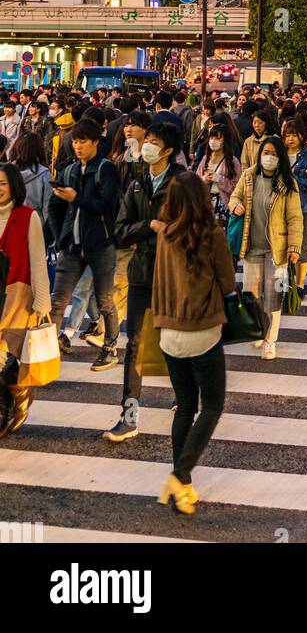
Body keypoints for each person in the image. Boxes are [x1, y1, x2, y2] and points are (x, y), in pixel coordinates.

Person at [152, 172, 236, 517]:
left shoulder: (164, 234)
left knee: (185, 407)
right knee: (212, 406)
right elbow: (228, 281)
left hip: (168, 331)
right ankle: (179, 474)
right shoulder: (211, 234)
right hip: (202, 329)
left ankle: (182, 490)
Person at [103, 120, 186, 442]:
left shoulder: (183, 184)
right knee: (135, 345)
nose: (146, 145)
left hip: (173, 274)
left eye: (153, 141)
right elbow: (120, 231)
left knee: (175, 342)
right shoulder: (138, 183)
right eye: (146, 139)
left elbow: (195, 229)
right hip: (141, 273)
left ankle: (185, 394)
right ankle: (129, 416)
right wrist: (148, 226)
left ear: (168, 150)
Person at [48, 118, 121, 372]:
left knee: (104, 300)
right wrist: (60, 237)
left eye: (83, 141)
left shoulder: (106, 169)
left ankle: (110, 348)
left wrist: (77, 198)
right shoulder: (70, 170)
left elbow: (107, 207)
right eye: (75, 141)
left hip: (100, 244)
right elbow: (54, 208)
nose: (77, 146)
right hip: (72, 246)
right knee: (58, 301)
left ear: (95, 143)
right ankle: (48, 352)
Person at [229, 134, 303, 360]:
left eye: (272, 153)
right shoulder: (249, 175)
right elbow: (234, 197)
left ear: (280, 157)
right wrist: (235, 206)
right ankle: (260, 329)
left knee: (274, 296)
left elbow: (295, 217)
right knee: (252, 294)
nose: (268, 157)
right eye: (265, 153)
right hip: (251, 246)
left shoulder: (288, 183)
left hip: (277, 250)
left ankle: (270, 340)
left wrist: (294, 247)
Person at [0, 163, 52, 440]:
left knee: (8, 357)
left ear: (14, 187)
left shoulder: (27, 216)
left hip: (18, 294)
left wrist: (42, 303)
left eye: (3, 184)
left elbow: (37, 260)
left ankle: (18, 399)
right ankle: (8, 405)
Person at [282, 119, 307, 294]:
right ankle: (283, 282)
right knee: (280, 246)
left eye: (294, 134)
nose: (290, 139)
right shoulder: (278, 155)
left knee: (301, 247)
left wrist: (297, 180)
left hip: (302, 207)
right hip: (280, 207)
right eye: (287, 135)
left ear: (301, 136)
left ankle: (299, 285)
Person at [196, 117, 241, 227]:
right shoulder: (205, 159)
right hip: (206, 204)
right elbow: (196, 181)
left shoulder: (233, 162)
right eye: (211, 137)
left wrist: (219, 179)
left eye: (218, 138)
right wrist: (203, 180)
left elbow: (237, 188)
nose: (213, 141)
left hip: (223, 206)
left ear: (225, 140)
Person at [10, 130, 53, 224]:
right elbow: (48, 208)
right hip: (34, 225)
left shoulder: (7, 172)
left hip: (10, 225)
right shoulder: (44, 174)